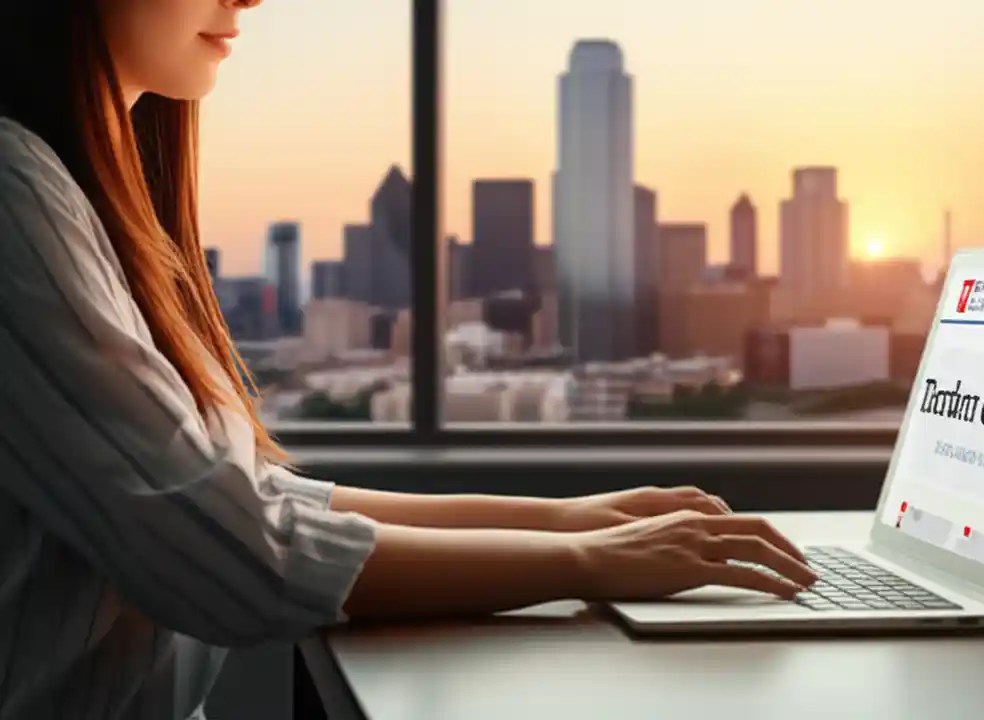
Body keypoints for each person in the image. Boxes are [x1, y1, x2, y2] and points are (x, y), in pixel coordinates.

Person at [0, 1, 818, 717]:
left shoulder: (65, 187)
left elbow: (240, 496)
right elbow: (235, 552)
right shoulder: (13, 189)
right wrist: (585, 561)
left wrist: (565, 521)